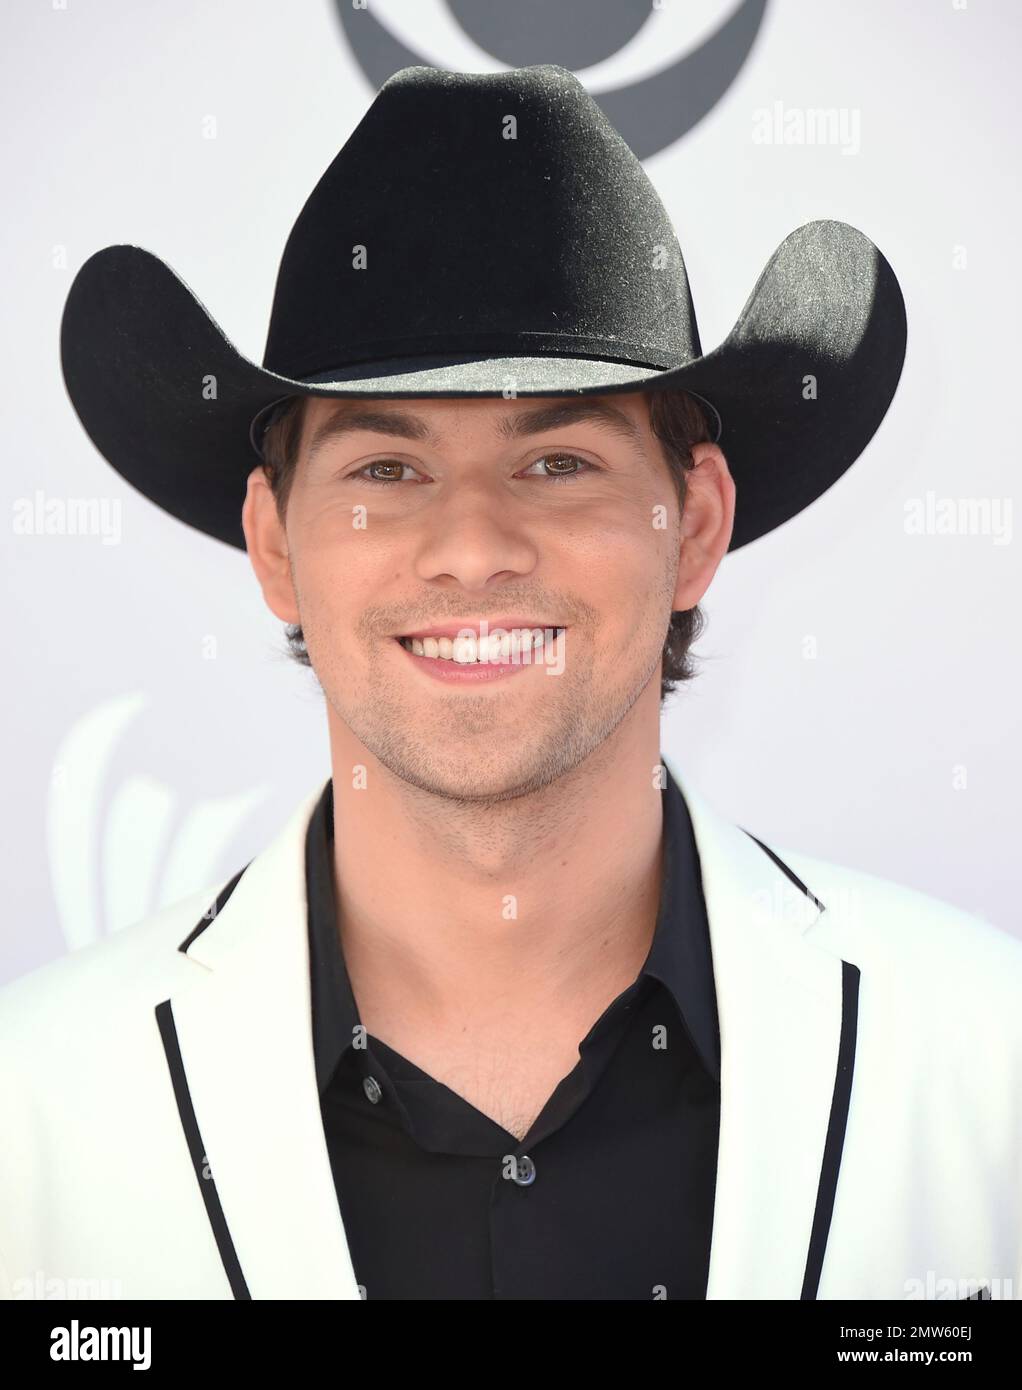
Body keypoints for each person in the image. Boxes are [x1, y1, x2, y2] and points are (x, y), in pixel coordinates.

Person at [2, 64, 1018, 1302]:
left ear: (691, 524)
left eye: (556, 460)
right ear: (276, 548)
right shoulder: (33, 1115)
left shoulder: (985, 1069)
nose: (473, 545)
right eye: (387, 464)